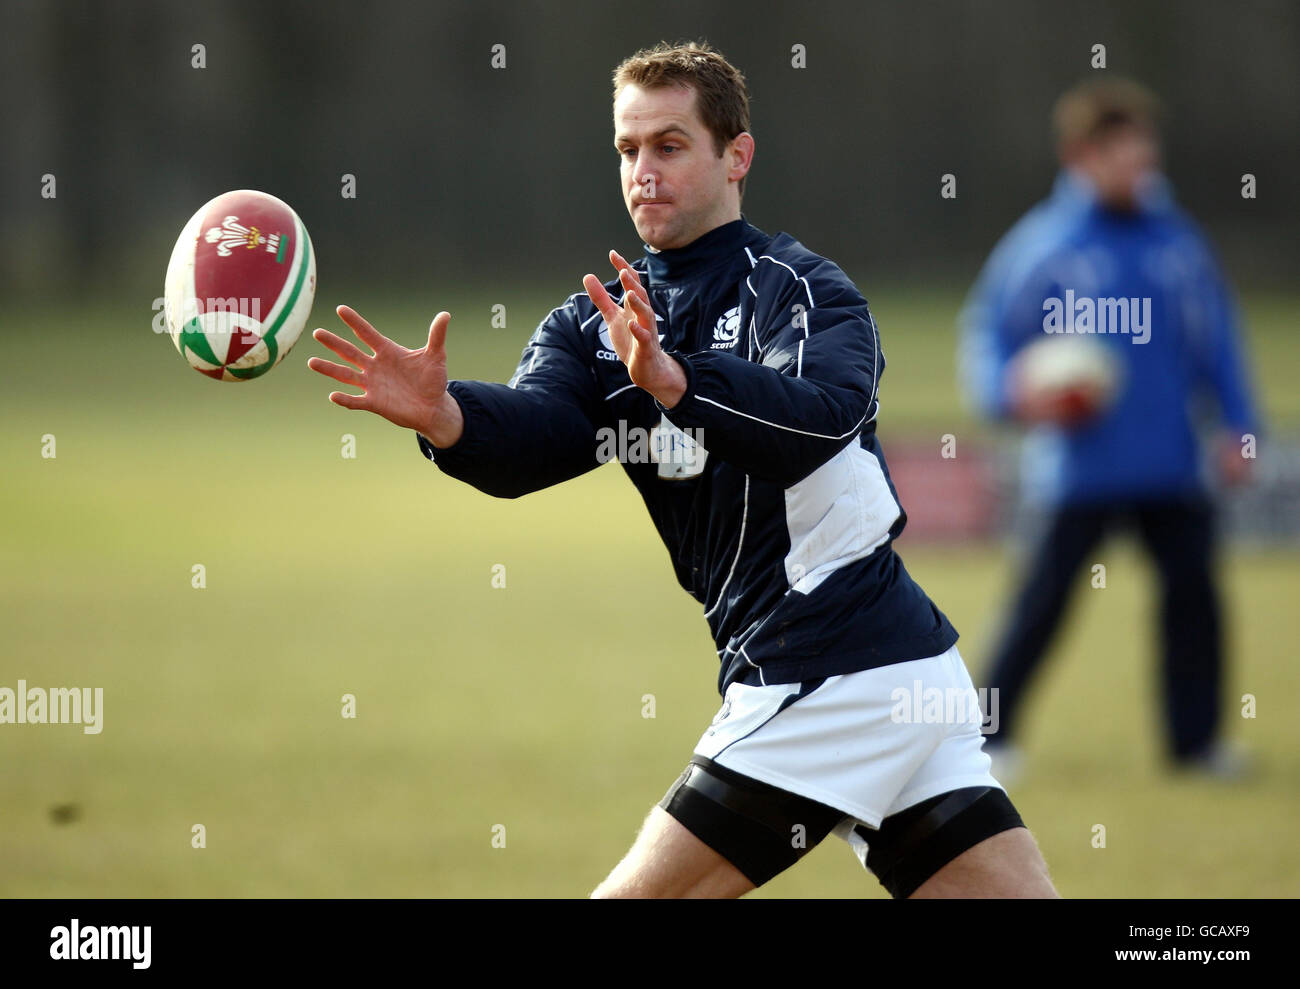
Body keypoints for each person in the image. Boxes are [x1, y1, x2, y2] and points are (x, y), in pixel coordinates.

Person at [310, 41, 1057, 898]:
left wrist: (679, 382)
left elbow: (819, 419)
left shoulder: (802, 291)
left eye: (669, 146)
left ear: (736, 156)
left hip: (828, 664)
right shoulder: (592, 323)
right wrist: (448, 418)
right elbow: (541, 437)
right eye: (628, 150)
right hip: (898, 674)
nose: (643, 171)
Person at [959, 77, 1262, 783]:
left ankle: (1197, 746)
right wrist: (1014, 394)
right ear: (1081, 156)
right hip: (1079, 468)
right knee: (1040, 604)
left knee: (1194, 601)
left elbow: (1218, 341)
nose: (1140, 168)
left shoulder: (1177, 241)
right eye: (1124, 154)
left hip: (1171, 464)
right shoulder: (1045, 245)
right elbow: (987, 336)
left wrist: (1240, 427)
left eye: (1145, 153)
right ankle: (983, 739)